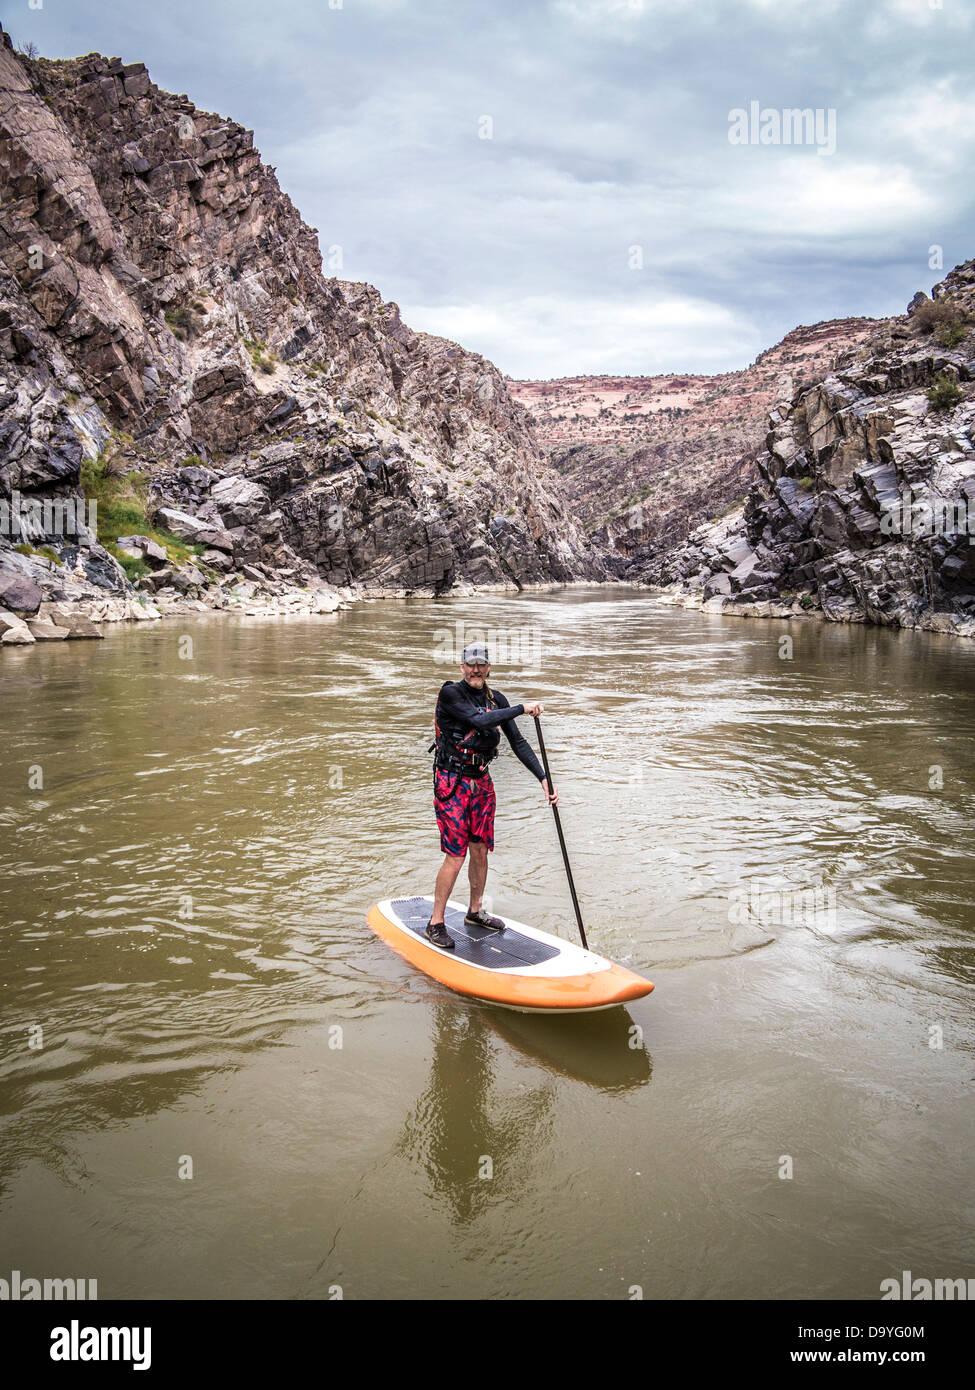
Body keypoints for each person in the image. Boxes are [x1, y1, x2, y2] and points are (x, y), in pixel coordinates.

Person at [426, 641, 558, 950]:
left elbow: (518, 741)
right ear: (462, 667)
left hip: (481, 781)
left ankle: (475, 912)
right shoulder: (451, 694)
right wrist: (522, 708)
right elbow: (477, 720)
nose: (475, 669)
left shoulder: (496, 698)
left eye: (481, 665)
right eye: (470, 665)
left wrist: (543, 778)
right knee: (456, 855)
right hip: (452, 781)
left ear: (488, 668)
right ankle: (435, 922)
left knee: (481, 849)